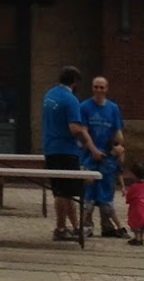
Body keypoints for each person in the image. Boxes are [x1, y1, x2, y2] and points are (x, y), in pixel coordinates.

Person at [41, 66, 102, 241]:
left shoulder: (49, 95)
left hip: (50, 147)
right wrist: (88, 144)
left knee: (63, 191)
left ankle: (76, 227)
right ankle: (61, 228)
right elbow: (75, 128)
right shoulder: (71, 100)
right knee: (64, 192)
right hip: (65, 150)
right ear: (75, 81)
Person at [83, 128, 128, 238]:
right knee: (88, 208)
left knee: (109, 209)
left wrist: (123, 187)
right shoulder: (103, 158)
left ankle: (118, 227)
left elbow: (119, 172)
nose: (122, 147)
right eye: (118, 145)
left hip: (106, 189)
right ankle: (82, 226)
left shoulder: (115, 161)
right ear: (113, 147)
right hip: (97, 187)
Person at [124, 161, 144, 245]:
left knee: (135, 223)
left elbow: (129, 196)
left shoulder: (133, 186)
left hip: (136, 208)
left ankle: (137, 238)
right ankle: (141, 237)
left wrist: (128, 200)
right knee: (143, 223)